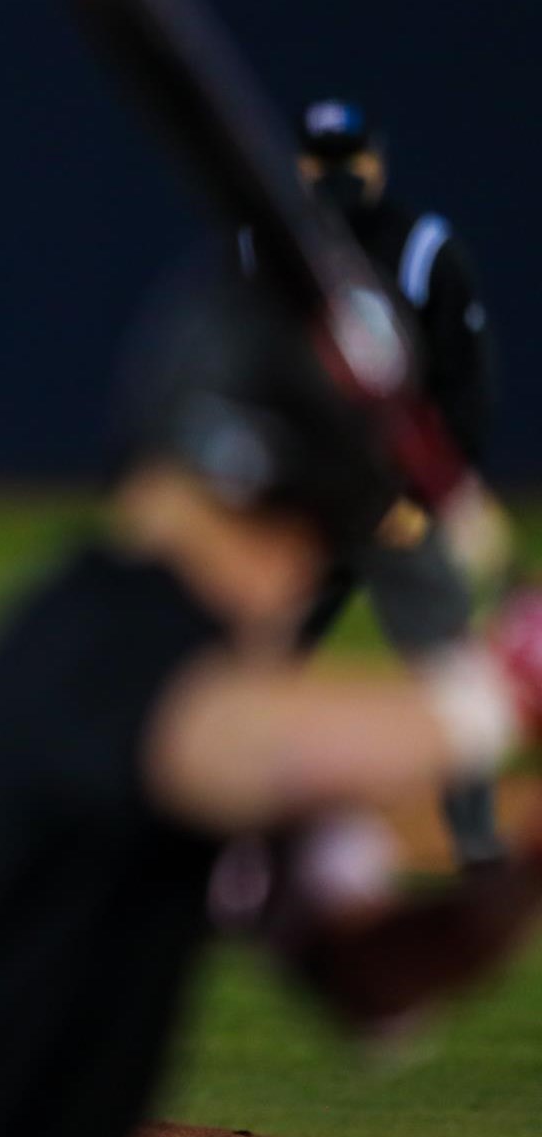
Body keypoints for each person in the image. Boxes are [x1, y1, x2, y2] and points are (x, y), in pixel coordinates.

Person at [0, 275, 542, 1137]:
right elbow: (249, 743)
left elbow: (374, 977)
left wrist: (527, 869)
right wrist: (509, 682)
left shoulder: (206, 681)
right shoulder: (109, 627)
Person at [244, 98, 510, 868]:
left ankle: (476, 845)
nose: (337, 176)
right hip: (311, 508)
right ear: (299, 167)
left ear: (377, 160)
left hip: (399, 505)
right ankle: (241, 848)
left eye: (348, 160)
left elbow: (466, 386)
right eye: (322, 162)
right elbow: (246, 376)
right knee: (251, 664)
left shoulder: (423, 249)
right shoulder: (264, 248)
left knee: (451, 675)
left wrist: (427, 497)